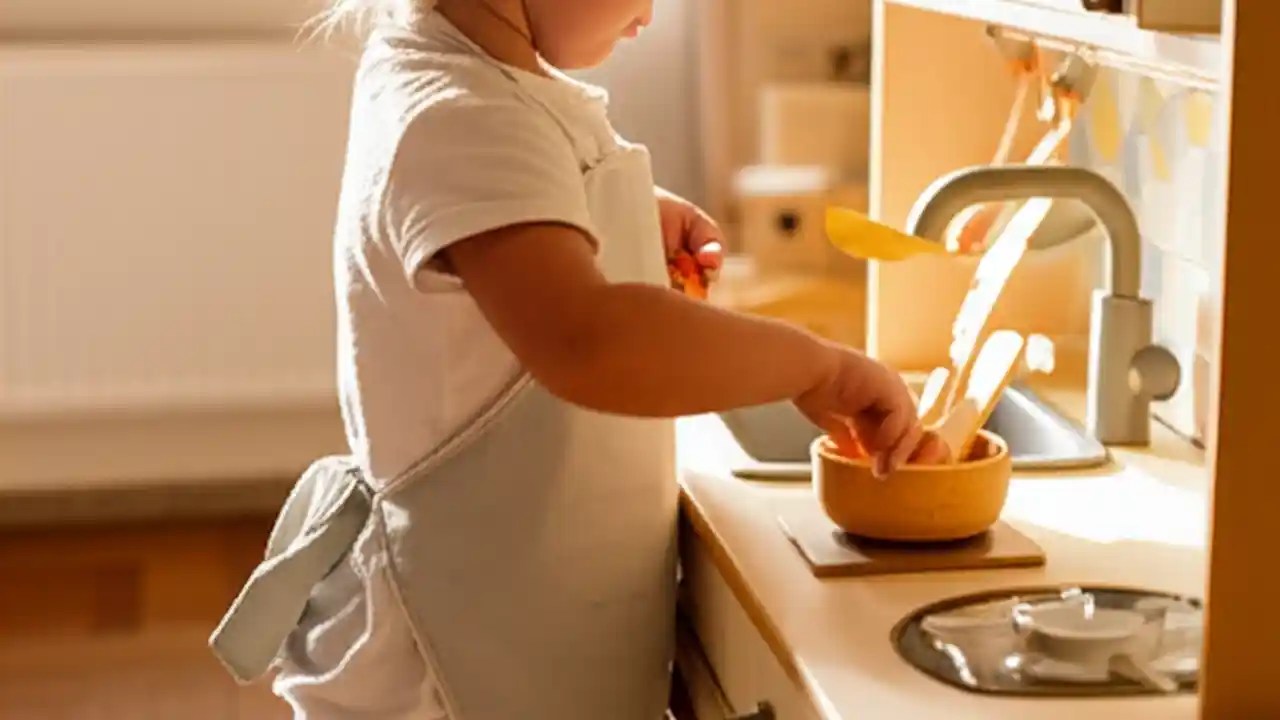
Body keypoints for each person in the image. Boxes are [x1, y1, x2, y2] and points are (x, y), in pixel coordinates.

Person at [208, 1, 943, 718]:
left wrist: (610, 212)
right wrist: (821, 369)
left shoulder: (451, 71)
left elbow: (499, 202)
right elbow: (592, 341)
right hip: (455, 653)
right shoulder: (463, 114)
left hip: (505, 604)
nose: (652, 13)